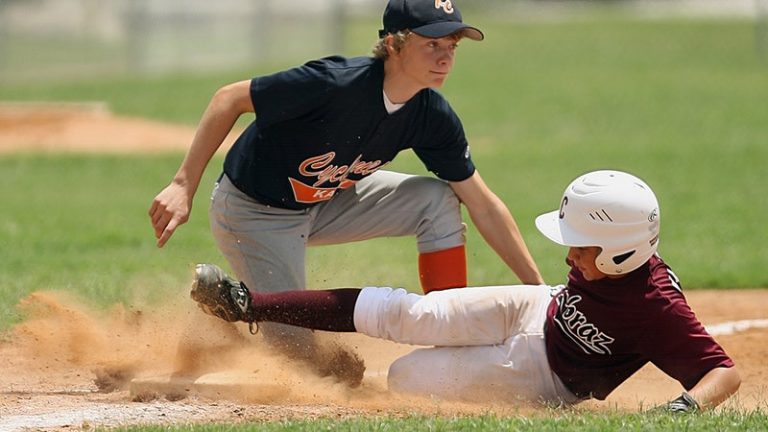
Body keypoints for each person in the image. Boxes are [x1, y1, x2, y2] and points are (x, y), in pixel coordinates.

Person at [148, 0, 543, 385]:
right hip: (255, 212)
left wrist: (539, 292)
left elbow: (483, 204)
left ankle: (451, 330)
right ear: (394, 44)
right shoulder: (334, 83)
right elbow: (229, 98)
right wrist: (183, 184)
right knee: (301, 361)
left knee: (436, 199)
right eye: (432, 44)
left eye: (451, 47)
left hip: (327, 199)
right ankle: (220, 318)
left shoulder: (430, 116)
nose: (445, 58)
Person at [190, 170, 740, 411]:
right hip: (538, 306)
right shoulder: (606, 261)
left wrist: (683, 409)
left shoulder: (658, 308)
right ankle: (246, 304)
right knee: (411, 314)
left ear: (623, 251)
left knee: (407, 376)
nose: (570, 254)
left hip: (549, 376)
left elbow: (724, 372)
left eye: (583, 247)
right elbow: (572, 274)